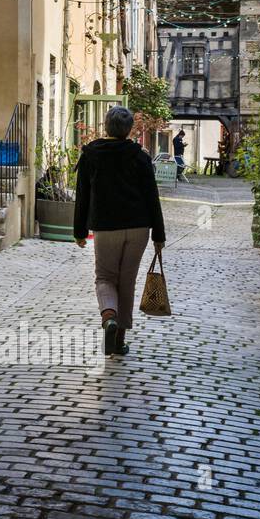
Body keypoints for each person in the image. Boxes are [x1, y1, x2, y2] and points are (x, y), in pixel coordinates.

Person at [73, 106, 167, 357]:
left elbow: (82, 195)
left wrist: (79, 231)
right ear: (129, 130)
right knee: (126, 282)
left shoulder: (91, 155)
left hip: (105, 227)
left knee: (104, 278)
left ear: (106, 126)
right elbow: (151, 197)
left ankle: (109, 317)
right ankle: (119, 341)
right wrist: (159, 235)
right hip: (138, 227)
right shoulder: (141, 157)